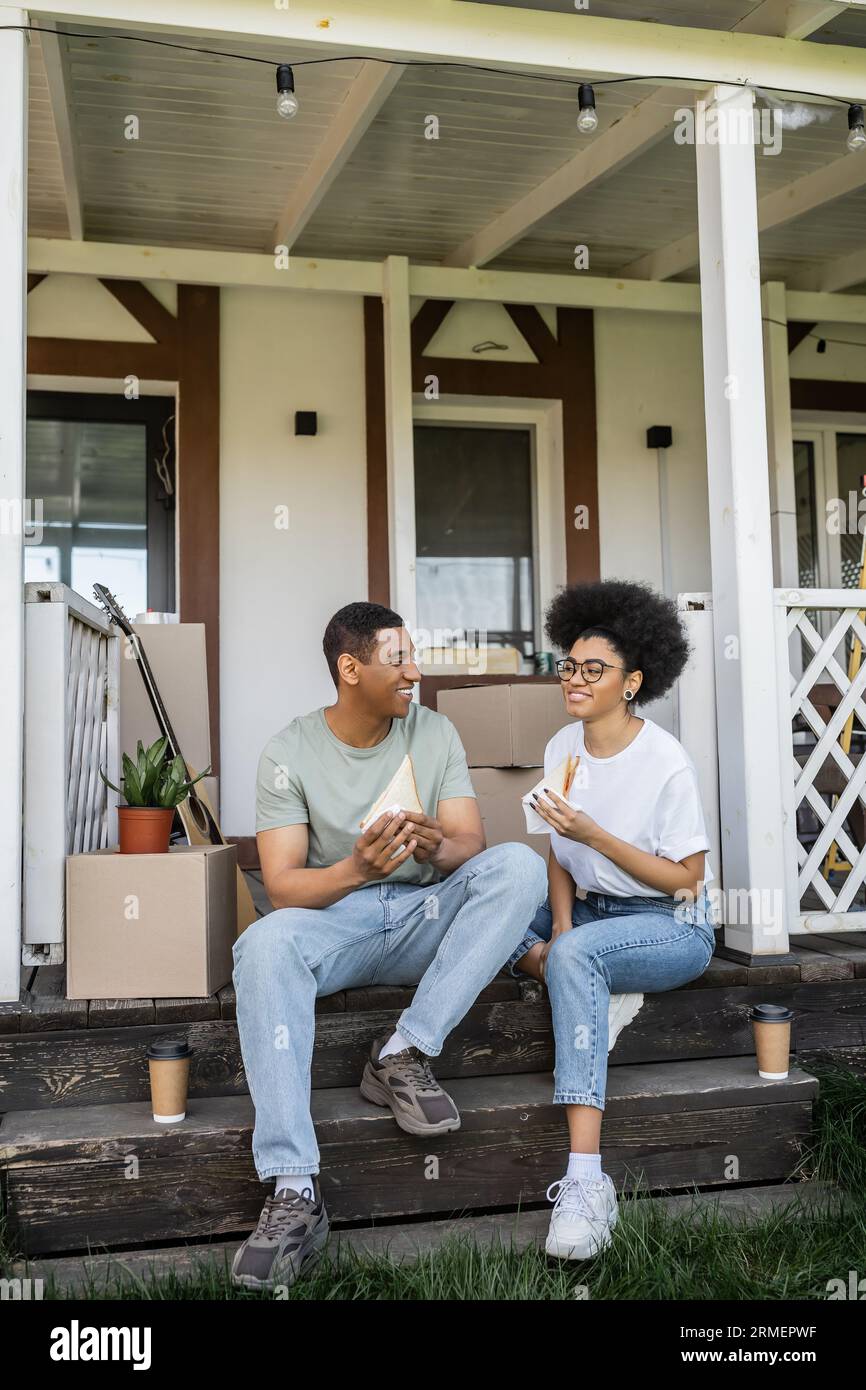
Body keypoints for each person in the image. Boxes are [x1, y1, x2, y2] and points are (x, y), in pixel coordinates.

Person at [230, 601, 547, 1290]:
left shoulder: (435, 733)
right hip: (337, 921)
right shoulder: (289, 750)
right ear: (351, 669)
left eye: (414, 656)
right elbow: (283, 887)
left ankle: (403, 1052)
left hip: (420, 915)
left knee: (519, 867)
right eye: (398, 659)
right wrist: (357, 869)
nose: (415, 671)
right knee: (262, 947)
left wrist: (437, 844)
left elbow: (472, 845)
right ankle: (293, 1188)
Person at [505, 579, 717, 1262]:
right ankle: (572, 965)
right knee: (490, 905)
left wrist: (598, 838)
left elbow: (689, 878)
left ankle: (587, 1182)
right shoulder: (562, 744)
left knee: (572, 957)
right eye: (568, 665)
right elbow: (555, 851)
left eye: (593, 669)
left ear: (631, 682)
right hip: (592, 910)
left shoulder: (665, 761)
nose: (574, 678)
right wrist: (562, 923)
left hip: (671, 922)